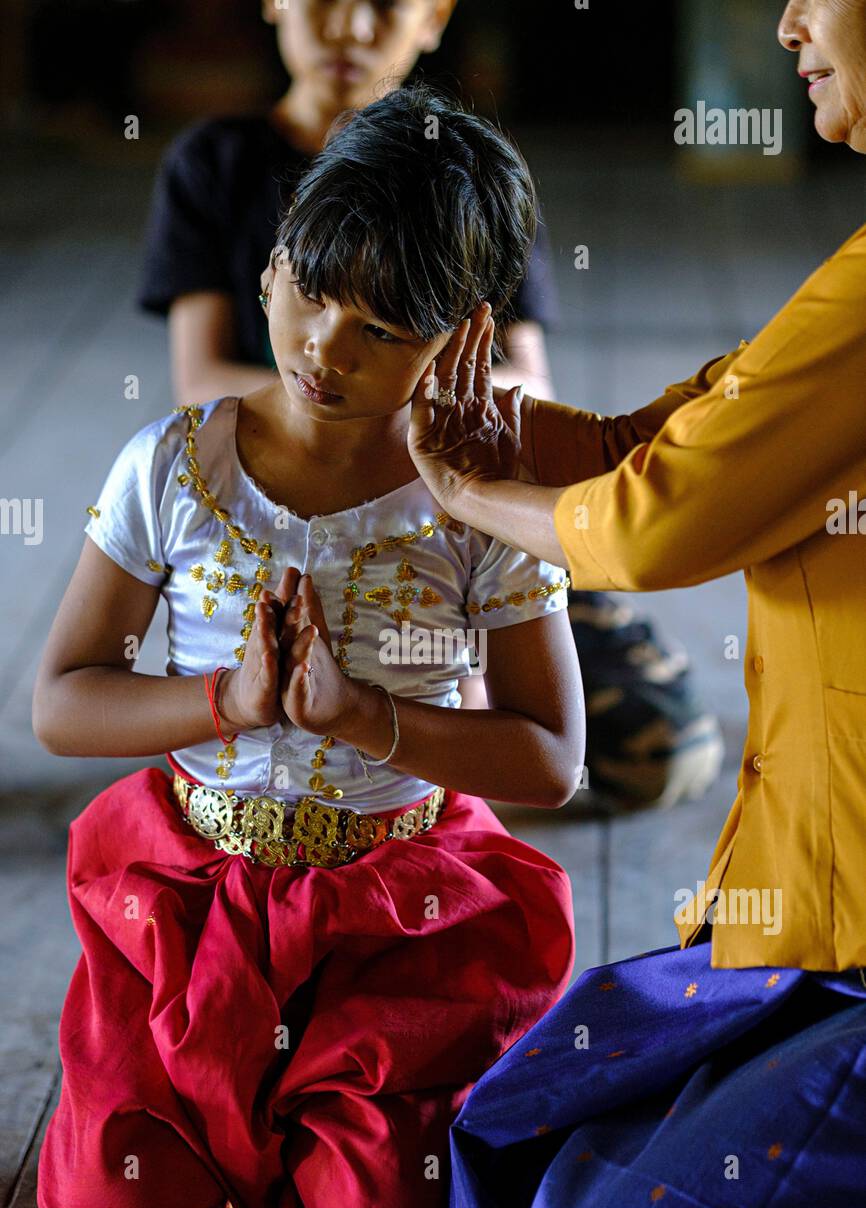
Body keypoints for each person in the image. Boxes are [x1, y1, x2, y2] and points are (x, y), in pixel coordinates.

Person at [31, 87, 583, 1208]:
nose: (328, 347)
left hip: (395, 922)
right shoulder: (173, 466)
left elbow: (550, 756)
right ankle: (225, 1120)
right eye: (312, 291)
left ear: (464, 340)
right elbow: (63, 700)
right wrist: (222, 706)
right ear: (275, 256)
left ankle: (326, 1130)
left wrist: (365, 720)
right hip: (187, 910)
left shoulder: (477, 503)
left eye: (384, 331)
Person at [398, 0, 866, 1208]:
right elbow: (682, 435)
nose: (783, 23)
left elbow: (659, 522)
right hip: (816, 916)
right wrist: (491, 435)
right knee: (501, 1155)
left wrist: (467, 493)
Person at [137, 0, 723, 813]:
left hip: (451, 494)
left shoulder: (469, 188)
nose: (347, 29)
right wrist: (351, 404)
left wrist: (432, 453)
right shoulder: (215, 161)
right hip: (273, 489)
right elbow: (198, 376)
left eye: (382, 4)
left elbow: (528, 383)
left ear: (435, 17)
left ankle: (428, 741)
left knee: (661, 753)